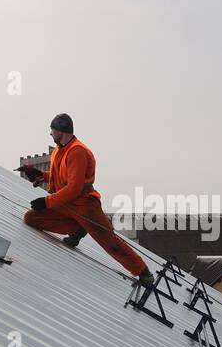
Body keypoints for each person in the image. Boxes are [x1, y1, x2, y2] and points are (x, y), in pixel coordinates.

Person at [20, 113, 154, 289]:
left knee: (109, 242)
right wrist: (38, 175)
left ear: (61, 130)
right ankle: (77, 228)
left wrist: (47, 202)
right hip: (65, 203)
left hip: (84, 205)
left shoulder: (77, 151)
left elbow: (74, 188)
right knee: (31, 218)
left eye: (52, 130)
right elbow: (58, 177)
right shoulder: (59, 151)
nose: (50, 133)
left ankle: (143, 272)